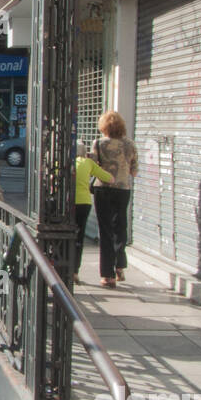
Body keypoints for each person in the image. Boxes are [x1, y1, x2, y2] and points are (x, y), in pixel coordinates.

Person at [90, 110, 139, 288]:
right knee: (120, 226)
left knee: (105, 230)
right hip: (123, 189)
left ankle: (107, 275)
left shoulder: (98, 143)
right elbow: (134, 171)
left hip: (103, 189)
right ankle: (120, 265)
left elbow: (93, 166)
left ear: (103, 126)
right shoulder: (130, 145)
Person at [74, 142, 113, 279]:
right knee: (79, 236)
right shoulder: (88, 163)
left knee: (66, 235)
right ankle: (75, 271)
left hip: (67, 204)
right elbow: (109, 178)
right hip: (84, 203)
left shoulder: (66, 162)